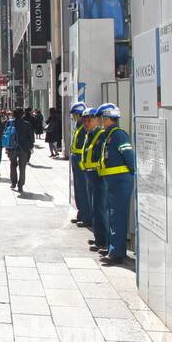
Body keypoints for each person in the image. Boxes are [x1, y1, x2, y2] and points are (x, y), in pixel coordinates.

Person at [95, 104, 135, 265]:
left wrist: (133, 172)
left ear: (107, 118)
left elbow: (128, 155)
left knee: (118, 216)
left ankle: (117, 252)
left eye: (100, 118)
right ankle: (113, 247)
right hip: (114, 182)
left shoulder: (118, 135)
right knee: (113, 215)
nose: (99, 121)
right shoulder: (108, 134)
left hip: (120, 181)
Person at [82, 106, 112, 254]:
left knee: (100, 209)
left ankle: (104, 242)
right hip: (90, 175)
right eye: (85, 120)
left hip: (99, 176)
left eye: (90, 120)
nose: (86, 123)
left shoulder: (101, 135)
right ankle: (99, 238)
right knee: (95, 208)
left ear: (97, 120)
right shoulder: (90, 134)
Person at [68, 103, 91, 226]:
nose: (74, 117)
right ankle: (81, 213)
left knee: (83, 190)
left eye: (75, 115)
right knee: (78, 189)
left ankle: (86, 217)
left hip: (81, 161)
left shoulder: (84, 128)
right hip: (76, 160)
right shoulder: (79, 126)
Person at [7, 108, 36, 192]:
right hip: (24, 148)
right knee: (22, 168)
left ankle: (13, 183)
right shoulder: (27, 124)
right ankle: (20, 185)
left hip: (12, 148)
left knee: (13, 165)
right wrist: (30, 146)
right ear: (22, 114)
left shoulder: (10, 123)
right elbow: (31, 138)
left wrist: (7, 147)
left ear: (13, 115)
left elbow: (6, 135)